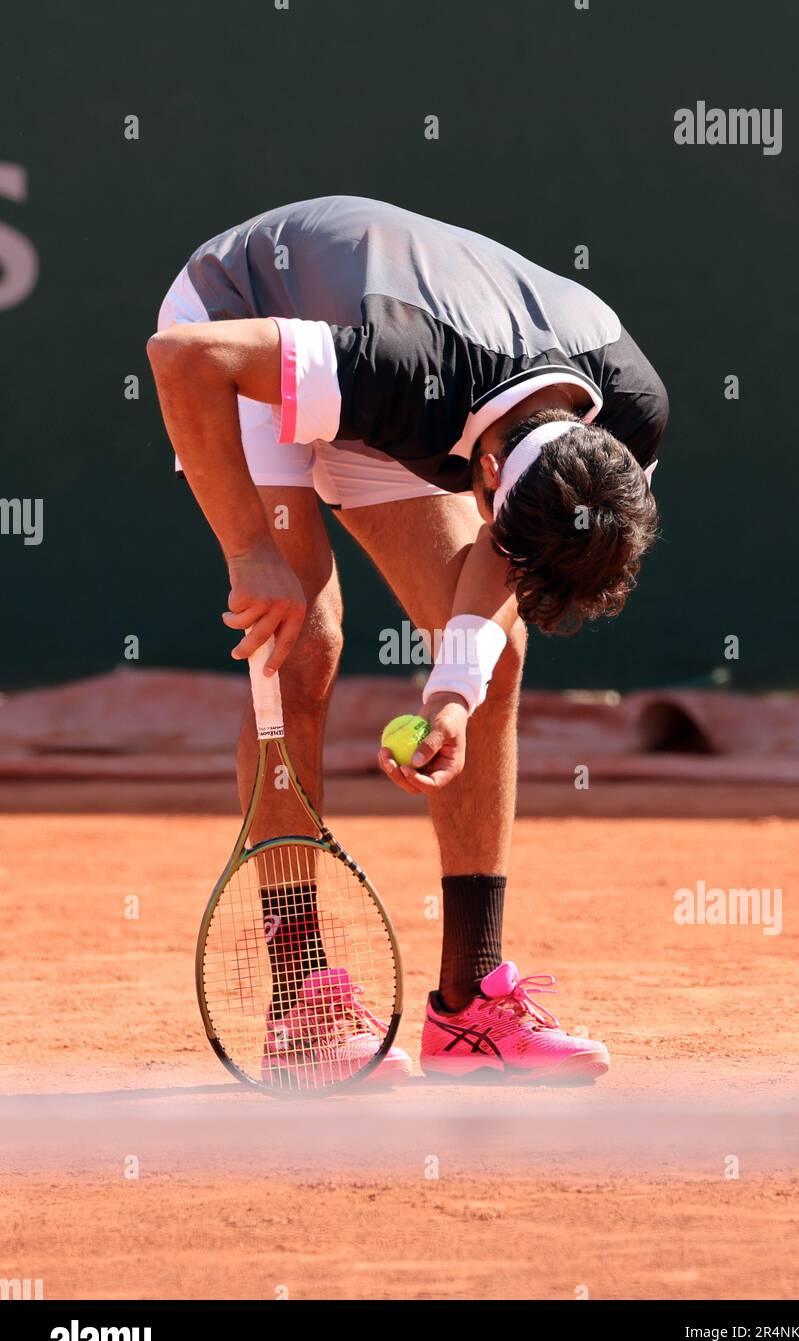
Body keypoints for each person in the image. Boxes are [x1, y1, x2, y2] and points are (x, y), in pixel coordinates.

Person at [148, 195, 668, 1082]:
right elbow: (182, 360)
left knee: (493, 662)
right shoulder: (392, 363)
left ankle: (470, 1007)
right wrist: (250, 552)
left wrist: (454, 688)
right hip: (248, 326)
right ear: (490, 475)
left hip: (415, 401)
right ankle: (301, 1004)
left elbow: (508, 560)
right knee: (301, 642)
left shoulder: (628, 409)